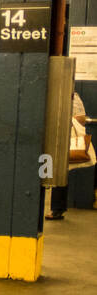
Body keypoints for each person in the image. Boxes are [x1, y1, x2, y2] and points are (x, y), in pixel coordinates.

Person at [46, 90, 93, 219]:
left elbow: (81, 118)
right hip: (49, 138)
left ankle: (57, 208)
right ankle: (45, 201)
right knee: (44, 170)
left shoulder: (73, 96)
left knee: (59, 172)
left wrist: (63, 120)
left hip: (62, 139)